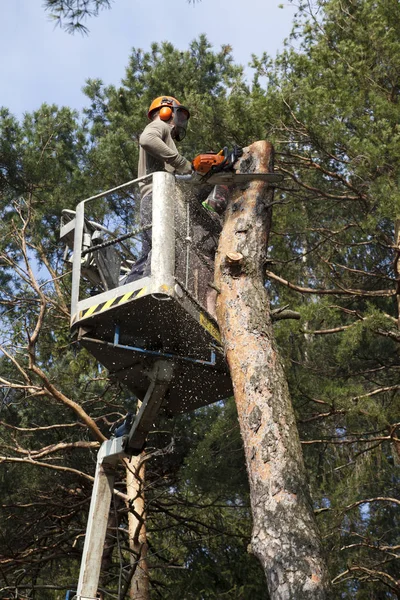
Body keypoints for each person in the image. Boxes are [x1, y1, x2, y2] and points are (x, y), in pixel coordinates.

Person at [126, 96, 192, 282]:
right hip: (157, 197)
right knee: (164, 247)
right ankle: (148, 289)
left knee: (150, 252)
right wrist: (182, 163)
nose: (180, 122)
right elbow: (146, 139)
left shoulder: (165, 140)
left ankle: (134, 288)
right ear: (166, 111)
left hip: (151, 199)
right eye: (180, 116)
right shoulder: (161, 126)